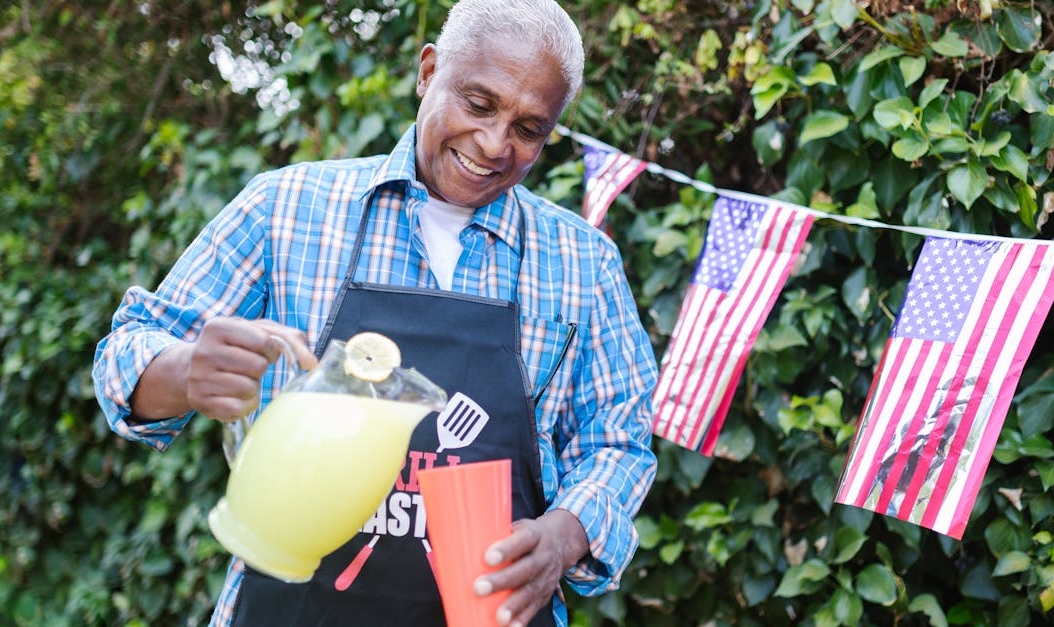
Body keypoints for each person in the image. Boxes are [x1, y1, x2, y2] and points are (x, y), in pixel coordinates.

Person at [91, 1, 659, 626]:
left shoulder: (583, 262)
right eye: (478, 104)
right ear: (427, 72)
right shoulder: (288, 209)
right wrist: (186, 369)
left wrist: (564, 534)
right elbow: (129, 353)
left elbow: (618, 441)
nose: (495, 144)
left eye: (529, 129)